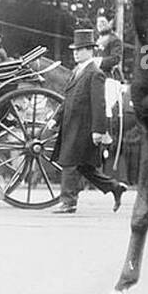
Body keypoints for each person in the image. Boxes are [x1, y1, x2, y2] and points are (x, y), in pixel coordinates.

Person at [54, 28, 128, 215]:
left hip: (84, 127)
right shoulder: (77, 71)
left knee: (70, 162)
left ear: (90, 50)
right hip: (72, 125)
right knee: (84, 167)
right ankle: (114, 187)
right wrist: (55, 119)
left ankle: (68, 202)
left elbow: (99, 104)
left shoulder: (95, 73)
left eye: (80, 49)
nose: (76, 52)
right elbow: (67, 99)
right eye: (75, 49)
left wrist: (98, 130)